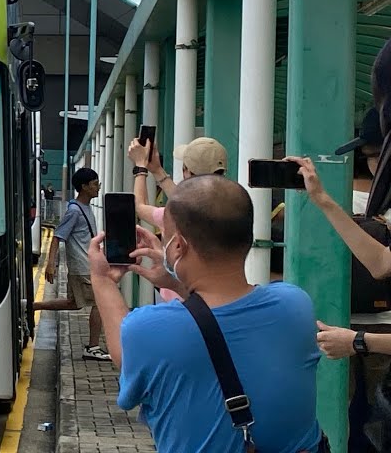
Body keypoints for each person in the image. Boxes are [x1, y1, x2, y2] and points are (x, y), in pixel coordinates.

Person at [90, 175, 325, 453]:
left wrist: (102, 279)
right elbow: (220, 316)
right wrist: (178, 282)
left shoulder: (150, 328)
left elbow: (125, 352)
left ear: (177, 246)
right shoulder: (294, 303)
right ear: (248, 239)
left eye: (164, 236)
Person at [126, 135, 229, 301]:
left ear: (186, 171)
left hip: (179, 298)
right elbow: (186, 199)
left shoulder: (175, 215)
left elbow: (139, 206)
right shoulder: (231, 208)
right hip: (219, 298)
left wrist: (140, 167)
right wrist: (157, 171)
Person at [35, 167, 109, 361]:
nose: (98, 187)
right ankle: (92, 347)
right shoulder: (75, 211)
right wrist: (51, 264)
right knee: (100, 303)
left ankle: (32, 306)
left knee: (74, 303)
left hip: (86, 265)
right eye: (94, 184)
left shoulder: (85, 208)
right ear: (84, 187)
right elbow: (58, 237)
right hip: (82, 266)